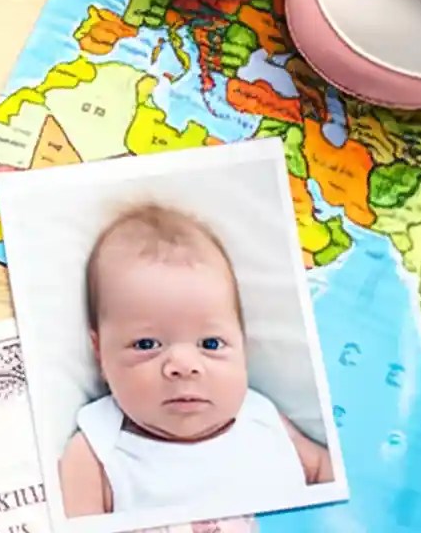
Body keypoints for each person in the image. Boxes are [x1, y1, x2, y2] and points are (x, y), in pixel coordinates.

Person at [58, 202, 333, 518]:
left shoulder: (263, 418)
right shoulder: (97, 453)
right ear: (100, 354)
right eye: (147, 344)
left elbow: (328, 475)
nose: (184, 365)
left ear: (243, 347)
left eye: (211, 343)